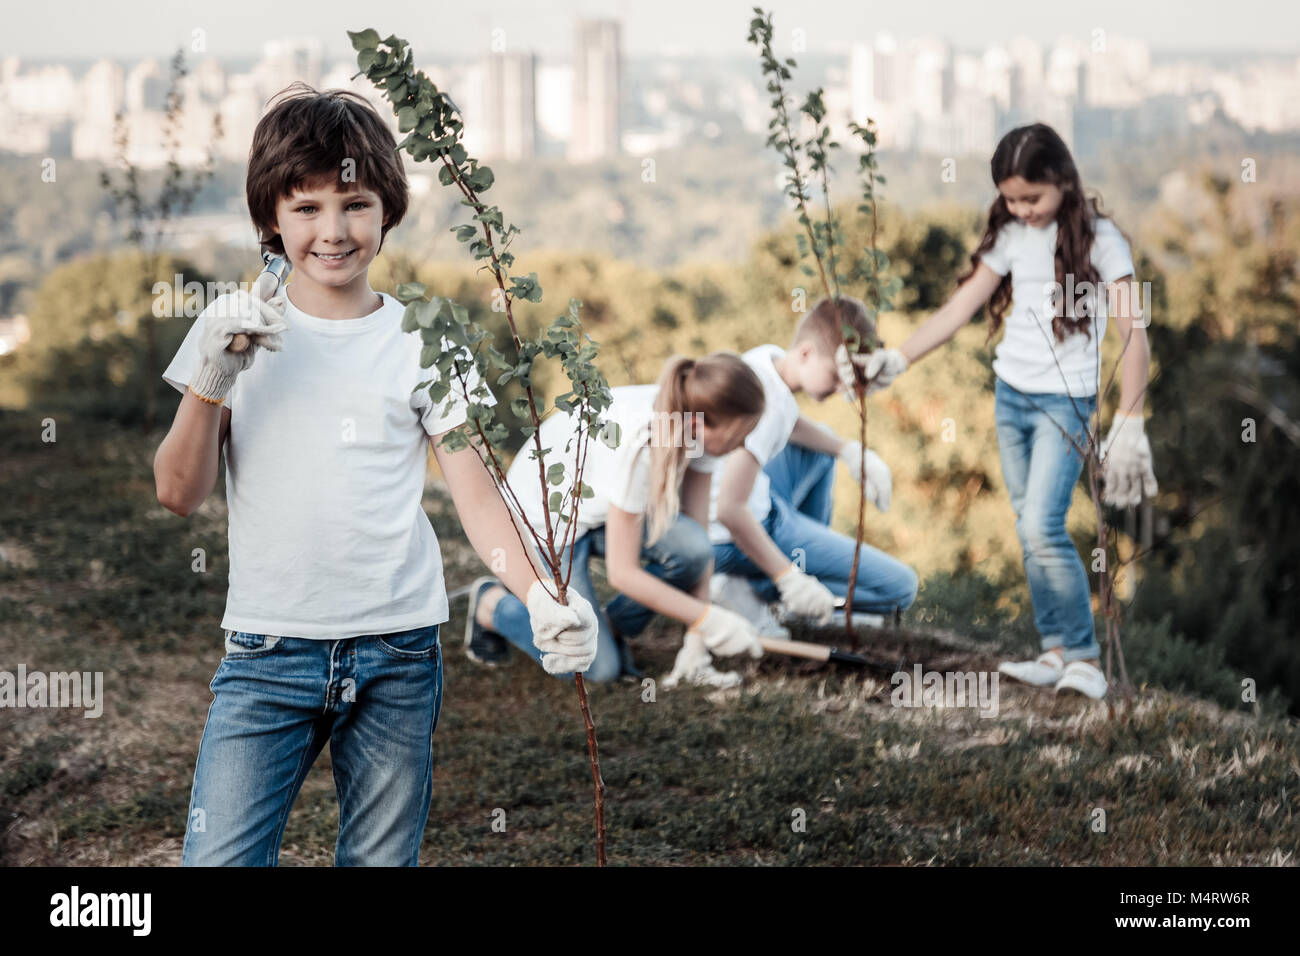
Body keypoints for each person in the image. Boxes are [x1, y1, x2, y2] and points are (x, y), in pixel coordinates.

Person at [154, 84, 598, 866]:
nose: (333, 231)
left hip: (397, 652)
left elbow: (478, 499)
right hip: (269, 651)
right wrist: (211, 382)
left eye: (354, 204)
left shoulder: (425, 340)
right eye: (307, 208)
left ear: (387, 209)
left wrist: (539, 597)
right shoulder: (230, 329)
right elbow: (178, 492)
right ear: (271, 220)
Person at [857, 122, 1157, 700]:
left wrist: (1130, 422)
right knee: (1028, 528)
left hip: (1065, 403)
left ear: (1064, 182)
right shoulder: (1012, 235)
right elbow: (960, 307)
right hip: (1011, 395)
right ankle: (1054, 651)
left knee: (1044, 525)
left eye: (1031, 198)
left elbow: (1134, 336)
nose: (1020, 209)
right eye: (1010, 198)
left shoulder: (1103, 239)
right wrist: (898, 358)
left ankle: (1085, 658)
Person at [466, 352, 771, 688]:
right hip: (547, 522)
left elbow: (698, 545)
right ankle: (492, 605)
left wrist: (697, 643)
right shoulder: (642, 442)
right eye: (740, 433)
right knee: (597, 668)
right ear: (701, 424)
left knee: (692, 548)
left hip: (596, 511)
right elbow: (622, 574)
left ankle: (606, 627)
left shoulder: (696, 427)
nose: (743, 444)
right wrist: (709, 618)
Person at [707, 295, 920, 635]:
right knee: (902, 589)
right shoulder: (768, 402)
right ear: (806, 353)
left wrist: (848, 450)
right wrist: (789, 579)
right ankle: (782, 589)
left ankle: (786, 576)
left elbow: (786, 423)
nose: (841, 389)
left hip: (754, 503)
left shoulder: (764, 360)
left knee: (821, 444)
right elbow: (728, 508)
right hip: (746, 527)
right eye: (836, 377)